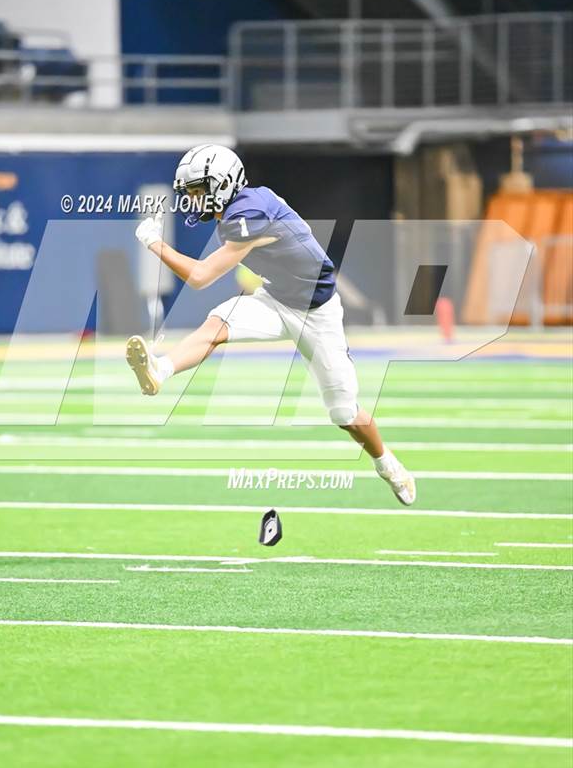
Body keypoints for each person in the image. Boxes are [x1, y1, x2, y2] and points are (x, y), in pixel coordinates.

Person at [127, 144, 415, 505]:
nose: (194, 199)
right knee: (217, 324)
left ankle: (388, 464)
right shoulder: (237, 210)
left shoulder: (249, 212)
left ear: (223, 184)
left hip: (317, 313)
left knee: (344, 413)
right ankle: (160, 369)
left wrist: (154, 243)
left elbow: (201, 277)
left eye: (199, 190)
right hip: (276, 298)